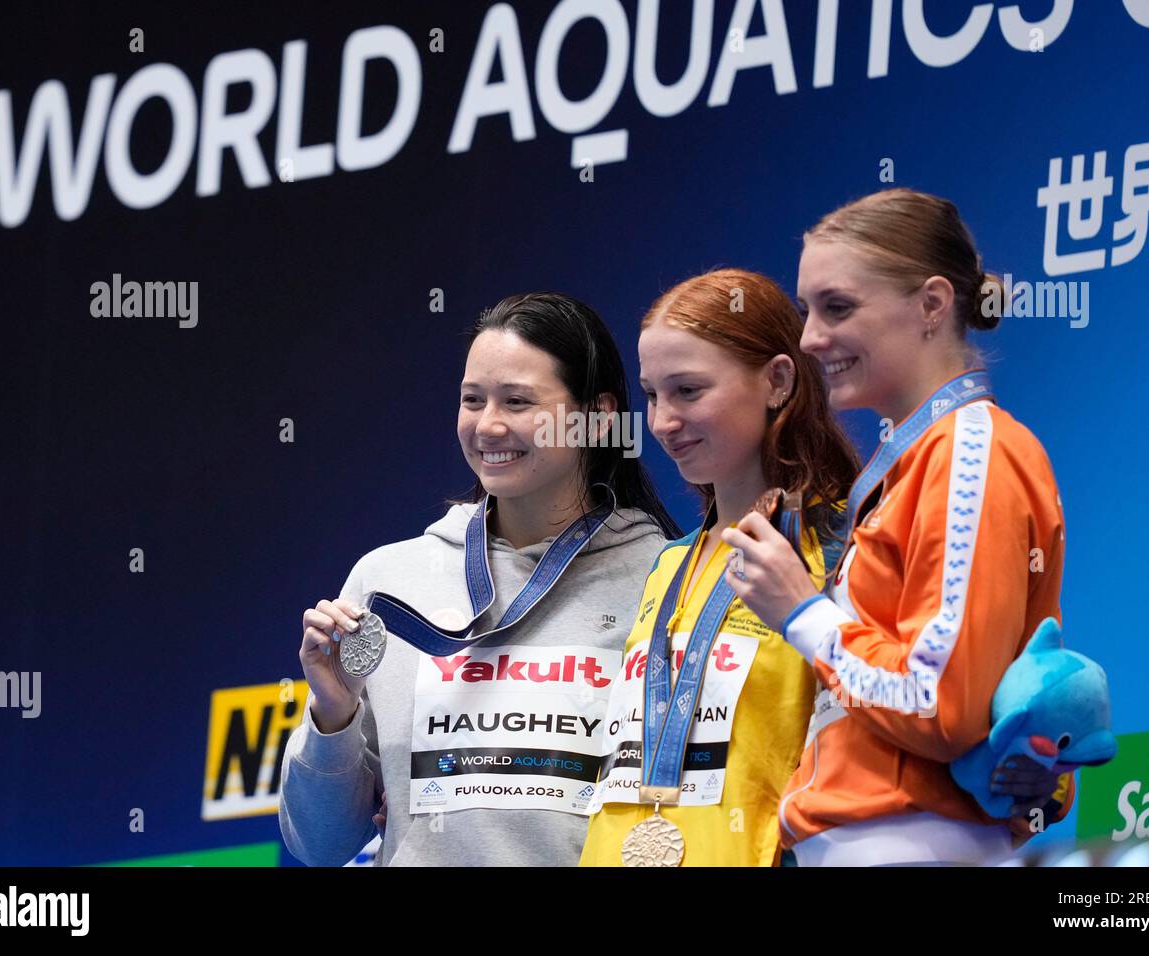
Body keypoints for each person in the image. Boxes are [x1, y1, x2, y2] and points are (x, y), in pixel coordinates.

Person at [725, 188, 1074, 866]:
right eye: (806, 310)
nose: (809, 338)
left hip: (913, 842)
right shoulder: (924, 459)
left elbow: (939, 703)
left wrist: (802, 612)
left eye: (838, 307)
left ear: (933, 305)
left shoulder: (970, 450)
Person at [278, 292, 680, 867]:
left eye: (517, 401)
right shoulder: (389, 580)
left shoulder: (665, 579)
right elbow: (320, 844)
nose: (488, 425)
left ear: (599, 416)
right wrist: (333, 712)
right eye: (472, 400)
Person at [578, 268, 860, 866]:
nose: (661, 423)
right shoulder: (667, 564)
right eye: (652, 395)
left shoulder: (847, 544)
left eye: (689, 390)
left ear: (778, 381)